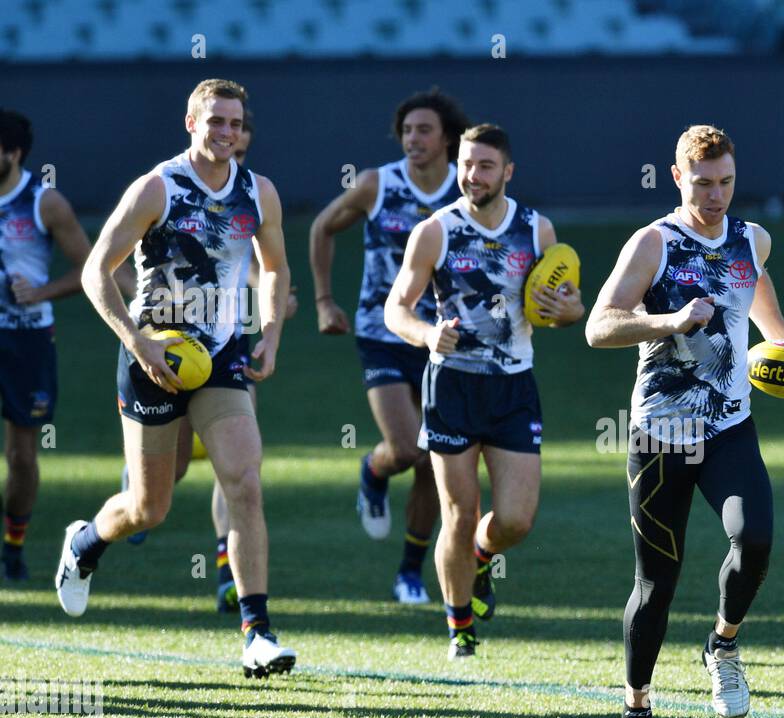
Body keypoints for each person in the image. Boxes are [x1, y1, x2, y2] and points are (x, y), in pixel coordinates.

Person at [56, 78, 296, 679]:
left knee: (244, 480)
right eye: (215, 121)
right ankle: (84, 545)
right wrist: (139, 345)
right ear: (191, 123)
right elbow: (94, 272)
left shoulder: (258, 192)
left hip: (220, 356)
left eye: (236, 124)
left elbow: (275, 268)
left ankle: (257, 635)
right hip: (153, 357)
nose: (227, 133)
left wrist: (269, 332)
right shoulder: (156, 188)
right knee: (148, 506)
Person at [587, 124, 784, 718]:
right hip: (661, 435)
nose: (715, 194)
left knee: (756, 537)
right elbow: (600, 325)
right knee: (656, 586)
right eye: (702, 182)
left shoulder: (750, 237)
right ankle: (637, 715)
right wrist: (670, 322)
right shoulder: (654, 242)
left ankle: (723, 644)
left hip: (730, 425)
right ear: (676, 177)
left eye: (726, 182)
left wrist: (783, 342)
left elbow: (753, 282)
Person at [384, 123, 583, 659]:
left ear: (508, 172)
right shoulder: (436, 231)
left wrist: (570, 311)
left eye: (485, 165)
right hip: (451, 385)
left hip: (514, 386)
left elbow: (567, 305)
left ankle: (480, 554)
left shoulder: (537, 230)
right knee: (458, 509)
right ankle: (460, 627)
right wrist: (428, 334)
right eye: (466, 164)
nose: (473, 175)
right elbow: (396, 308)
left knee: (516, 520)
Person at [312, 88, 469, 605]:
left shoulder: (468, 190)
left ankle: (409, 570)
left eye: (424, 130)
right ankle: (373, 470)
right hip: (382, 331)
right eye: (406, 131)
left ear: (448, 138)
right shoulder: (378, 184)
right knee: (406, 449)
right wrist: (324, 300)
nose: (413, 139)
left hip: (443, 340)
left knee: (430, 462)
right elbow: (322, 227)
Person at [0, 108, 95, 581]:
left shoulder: (44, 203)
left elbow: (92, 270)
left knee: (21, 456)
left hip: (28, 340)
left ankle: (13, 545)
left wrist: (39, 292)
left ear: (13, 153)